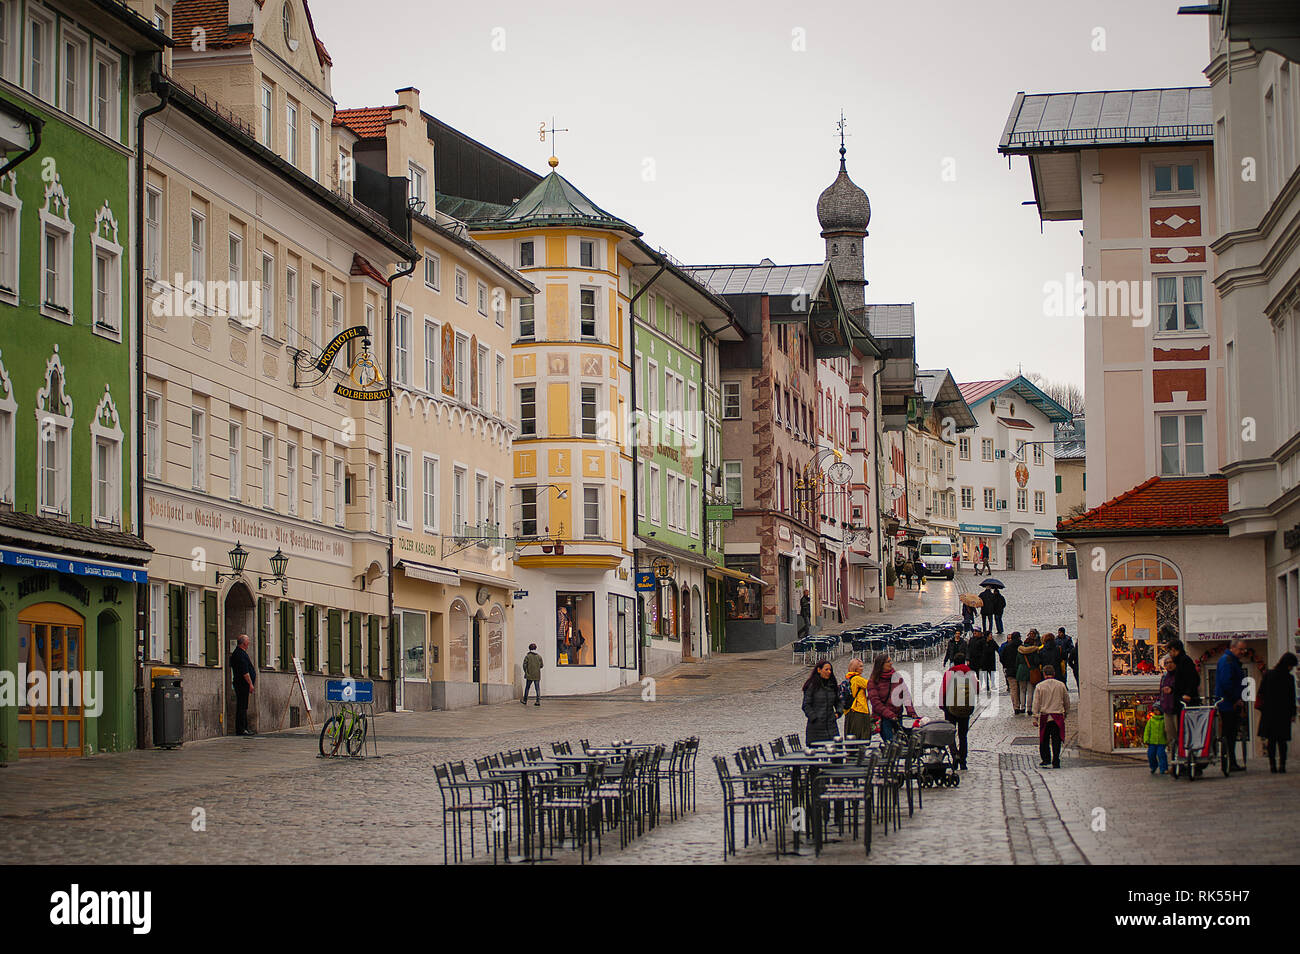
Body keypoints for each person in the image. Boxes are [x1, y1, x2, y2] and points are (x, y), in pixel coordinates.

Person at [1258, 653, 1298, 773]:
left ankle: (1272, 765)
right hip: (1283, 713)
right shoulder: (1289, 678)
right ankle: (1282, 765)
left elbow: (1261, 692)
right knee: (1282, 741)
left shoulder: (1268, 674)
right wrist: (1293, 713)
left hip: (1269, 712)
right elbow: (1292, 697)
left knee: (1271, 740)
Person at [1215, 639, 1249, 773]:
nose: (1243, 652)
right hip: (1228, 704)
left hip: (1229, 702)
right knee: (1229, 734)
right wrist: (1236, 699)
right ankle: (1229, 762)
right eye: (1241, 649)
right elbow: (1226, 683)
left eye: (1244, 649)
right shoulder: (1227, 661)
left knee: (1231, 734)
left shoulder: (1230, 661)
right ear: (1233, 648)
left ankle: (1230, 762)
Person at [866, 654, 917, 742]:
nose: (891, 663)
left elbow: (905, 695)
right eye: (888, 661)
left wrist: (911, 711)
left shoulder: (897, 677)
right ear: (881, 665)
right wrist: (889, 714)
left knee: (900, 742)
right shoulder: (873, 682)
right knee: (890, 743)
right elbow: (875, 703)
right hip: (884, 719)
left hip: (897, 716)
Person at [941, 652, 978, 770]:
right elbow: (976, 689)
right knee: (963, 736)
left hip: (951, 708)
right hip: (965, 709)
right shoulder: (970, 673)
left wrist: (942, 705)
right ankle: (963, 761)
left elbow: (944, 691)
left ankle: (955, 754)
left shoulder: (949, 673)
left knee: (950, 734)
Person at [1031, 664, 1069, 769]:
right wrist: (1066, 712)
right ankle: (1056, 759)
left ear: (1044, 674)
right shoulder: (1061, 685)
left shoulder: (1040, 686)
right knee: (1056, 739)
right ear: (1054, 673)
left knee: (1044, 739)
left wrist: (1035, 717)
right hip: (1057, 716)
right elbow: (1066, 700)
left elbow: (1036, 703)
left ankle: (1046, 759)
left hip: (1045, 716)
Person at [802, 661, 841, 746]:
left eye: (830, 670)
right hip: (815, 729)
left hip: (831, 727)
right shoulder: (812, 686)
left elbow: (839, 702)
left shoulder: (832, 685)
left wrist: (838, 713)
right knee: (817, 751)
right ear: (819, 670)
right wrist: (814, 718)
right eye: (826, 669)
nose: (829, 672)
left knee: (835, 750)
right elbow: (806, 705)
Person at [230, 633, 256, 736]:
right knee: (242, 706)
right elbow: (245, 672)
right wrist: (250, 684)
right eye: (247, 641)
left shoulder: (240, 653)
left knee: (243, 706)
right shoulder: (239, 654)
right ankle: (241, 729)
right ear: (244, 643)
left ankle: (244, 727)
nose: (249, 643)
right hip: (242, 684)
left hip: (241, 683)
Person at [1158, 655, 1180, 772]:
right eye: (1166, 663)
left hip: (1177, 709)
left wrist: (1172, 690)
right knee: (1171, 739)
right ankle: (1174, 764)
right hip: (1167, 710)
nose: (1169, 665)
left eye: (1171, 662)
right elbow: (1161, 692)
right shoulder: (1164, 677)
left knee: (1180, 737)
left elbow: (1182, 689)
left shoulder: (1179, 675)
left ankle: (1182, 762)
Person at [842, 658, 873, 741]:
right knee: (861, 734)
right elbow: (871, 685)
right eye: (860, 666)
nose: (862, 668)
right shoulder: (857, 679)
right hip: (858, 709)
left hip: (850, 710)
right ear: (855, 668)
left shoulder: (849, 678)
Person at [1001, 631, 1024, 713]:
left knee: (1013, 689)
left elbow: (1002, 658)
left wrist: (1006, 666)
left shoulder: (1006, 647)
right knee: (1021, 689)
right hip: (1020, 671)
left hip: (1010, 671)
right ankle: (1023, 706)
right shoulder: (1021, 647)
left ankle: (1016, 706)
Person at [1143, 707, 1168, 775]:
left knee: (1161, 755)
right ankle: (1153, 766)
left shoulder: (1164, 720)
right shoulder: (1151, 721)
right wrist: (1146, 739)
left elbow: (1167, 731)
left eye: (1157, 710)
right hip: (1152, 742)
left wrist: (1168, 741)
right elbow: (1147, 730)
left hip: (1161, 742)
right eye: (1154, 710)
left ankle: (1163, 768)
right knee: (1151, 755)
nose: (1155, 712)